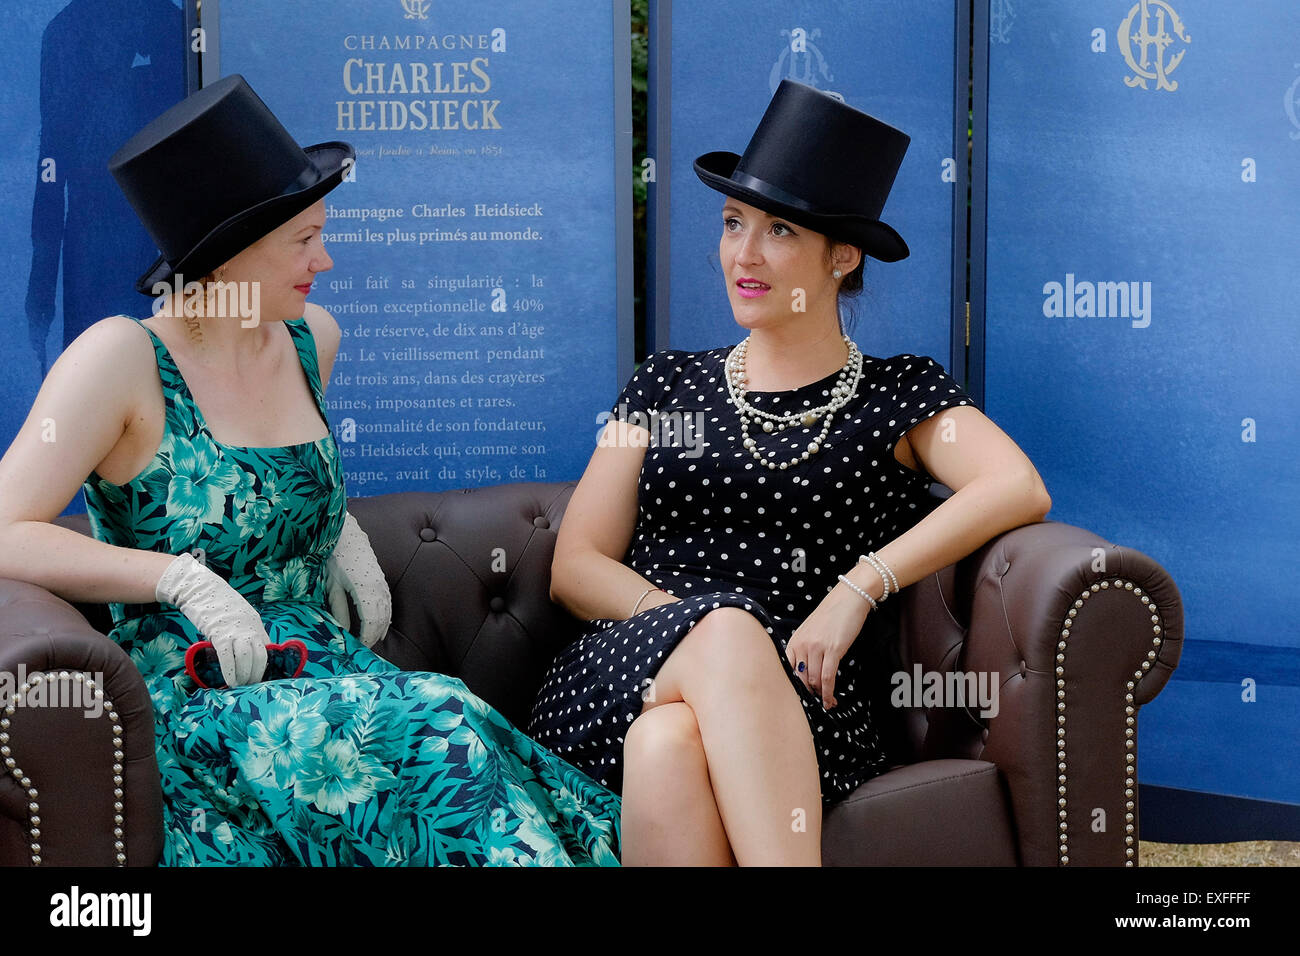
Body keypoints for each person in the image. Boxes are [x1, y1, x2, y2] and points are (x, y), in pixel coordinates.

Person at [0, 74, 620, 866]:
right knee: (435, 729)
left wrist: (340, 533)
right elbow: (6, 530)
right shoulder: (121, 359)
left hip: (319, 666)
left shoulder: (310, 337)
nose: (324, 260)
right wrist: (178, 579)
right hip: (204, 685)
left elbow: (274, 491)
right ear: (226, 254)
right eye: (303, 240)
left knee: (458, 721)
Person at [526, 80, 1052, 866]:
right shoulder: (664, 385)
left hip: (804, 704)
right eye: (735, 223)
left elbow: (1017, 485)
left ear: (842, 256)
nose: (743, 253)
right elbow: (575, 565)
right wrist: (697, 632)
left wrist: (857, 586)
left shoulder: (898, 392)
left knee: (671, 744)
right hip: (620, 673)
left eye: (778, 231)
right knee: (715, 645)